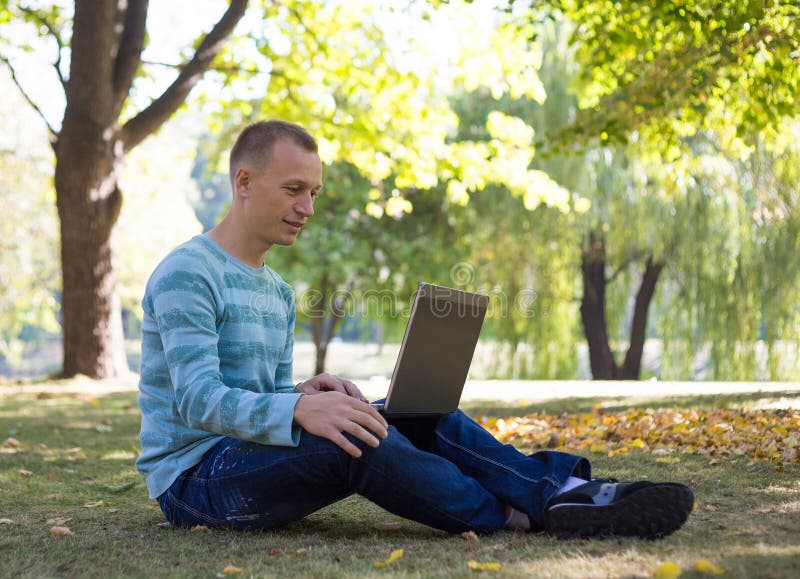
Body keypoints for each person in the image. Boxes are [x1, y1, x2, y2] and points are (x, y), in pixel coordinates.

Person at [136, 119, 694, 539]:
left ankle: (565, 491)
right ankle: (513, 514)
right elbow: (197, 400)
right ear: (244, 181)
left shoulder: (277, 291)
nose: (308, 207)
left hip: (247, 451)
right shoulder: (189, 273)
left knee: (421, 414)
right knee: (354, 441)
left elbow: (264, 395)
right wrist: (300, 410)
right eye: (293, 189)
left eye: (314, 193)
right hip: (195, 481)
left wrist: (303, 393)